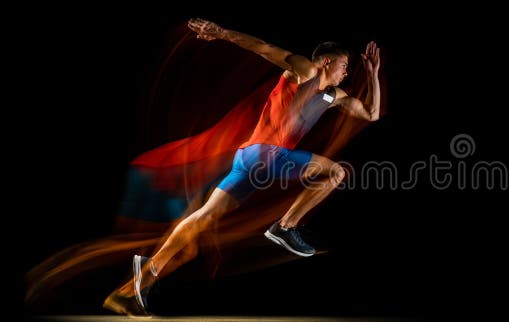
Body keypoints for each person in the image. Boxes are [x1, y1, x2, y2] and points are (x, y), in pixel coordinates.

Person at [103, 18, 382, 316]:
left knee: (204, 216)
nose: (346, 72)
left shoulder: (333, 96)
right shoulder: (307, 70)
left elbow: (372, 114)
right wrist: (222, 33)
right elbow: (264, 48)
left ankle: (140, 280)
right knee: (336, 172)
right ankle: (284, 227)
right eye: (344, 65)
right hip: (265, 154)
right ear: (326, 61)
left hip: (249, 160)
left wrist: (373, 73)